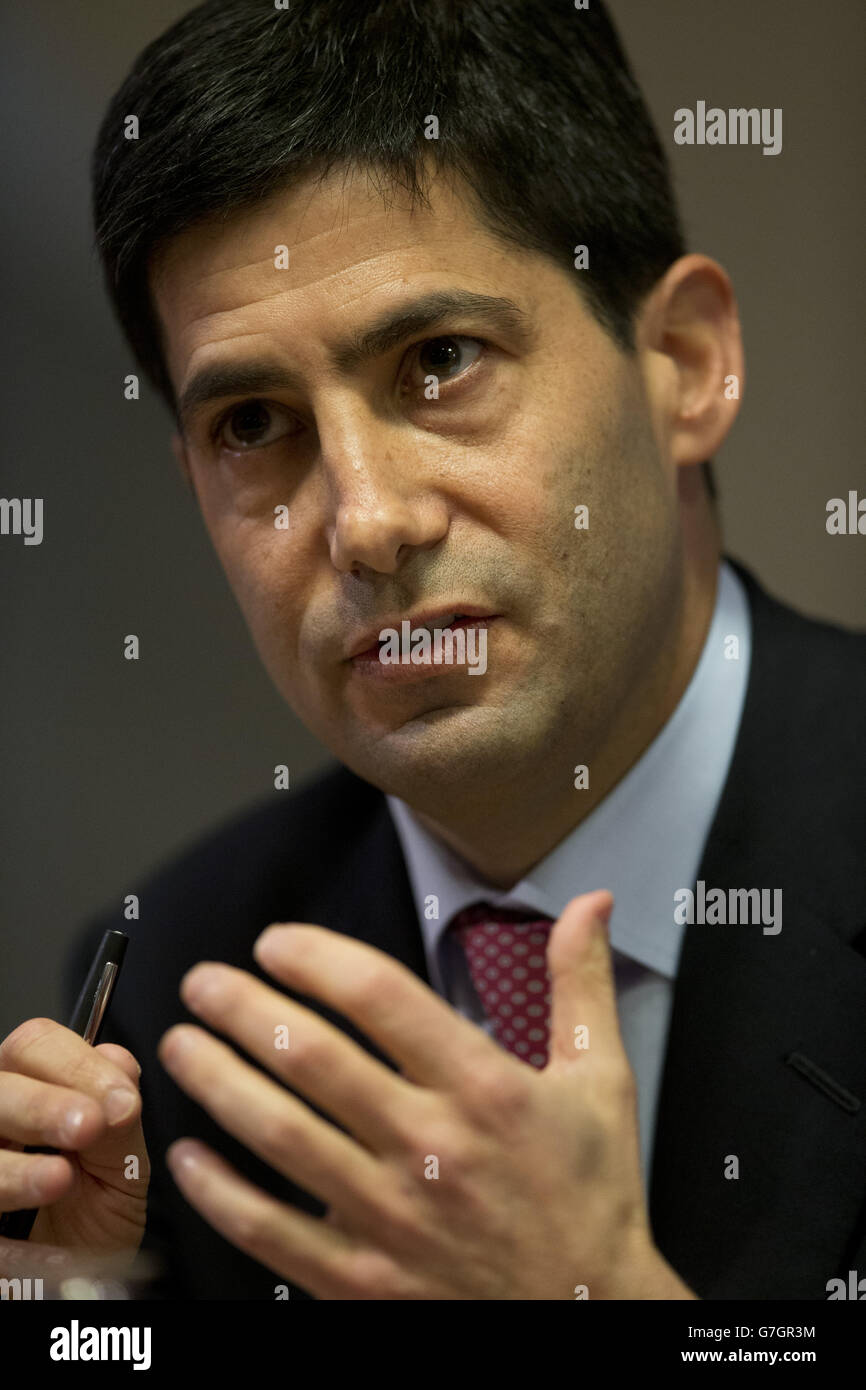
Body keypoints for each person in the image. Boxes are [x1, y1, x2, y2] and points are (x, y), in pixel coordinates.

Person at [1, 0, 864, 1301]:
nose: (365, 523)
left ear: (684, 364)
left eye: (439, 361)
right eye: (254, 425)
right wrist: (79, 1317)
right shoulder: (176, 991)